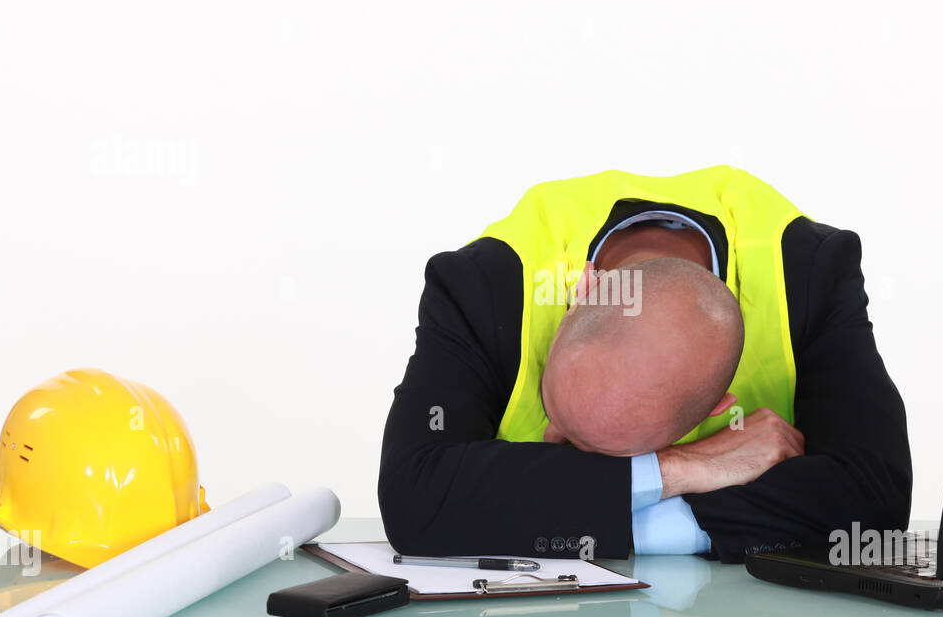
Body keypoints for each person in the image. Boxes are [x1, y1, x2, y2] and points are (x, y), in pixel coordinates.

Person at [378, 165, 912, 562]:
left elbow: (873, 510)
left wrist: (572, 505)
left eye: (609, 456)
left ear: (717, 406)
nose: (562, 456)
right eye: (562, 422)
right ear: (580, 292)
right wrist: (684, 468)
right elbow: (416, 499)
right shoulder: (486, 282)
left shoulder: (809, 273)